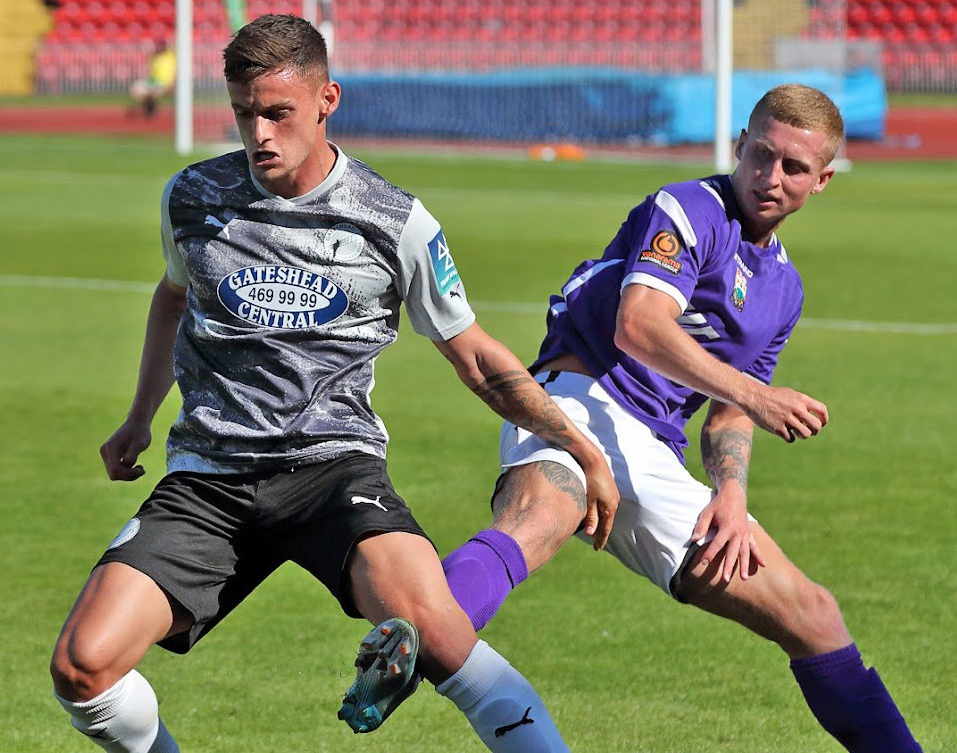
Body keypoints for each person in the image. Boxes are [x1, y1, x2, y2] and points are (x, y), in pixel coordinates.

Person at [47, 14, 619, 753]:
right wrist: (139, 415)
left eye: (278, 113)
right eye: (244, 112)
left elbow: (473, 354)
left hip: (332, 468)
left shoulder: (393, 221)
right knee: (81, 665)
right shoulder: (192, 198)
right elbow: (173, 294)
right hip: (209, 478)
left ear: (326, 101)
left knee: (440, 631)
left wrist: (581, 448)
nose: (259, 134)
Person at [363, 84, 924, 752]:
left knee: (813, 614)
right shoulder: (687, 208)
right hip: (575, 395)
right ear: (739, 145)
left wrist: (732, 492)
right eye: (761, 155)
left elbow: (726, 417)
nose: (770, 177)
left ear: (822, 179)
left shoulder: (784, 289)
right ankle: (411, 638)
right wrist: (755, 392)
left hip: (654, 452)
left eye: (793, 168)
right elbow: (637, 326)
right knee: (543, 514)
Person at [128, 39, 176, 119]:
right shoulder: (153, 57)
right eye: (158, 46)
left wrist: (173, 84)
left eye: (161, 46)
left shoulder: (170, 55)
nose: (159, 48)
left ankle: (150, 107)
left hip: (165, 83)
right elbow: (151, 73)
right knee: (136, 88)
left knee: (151, 92)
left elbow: (176, 48)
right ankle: (150, 106)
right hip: (154, 82)